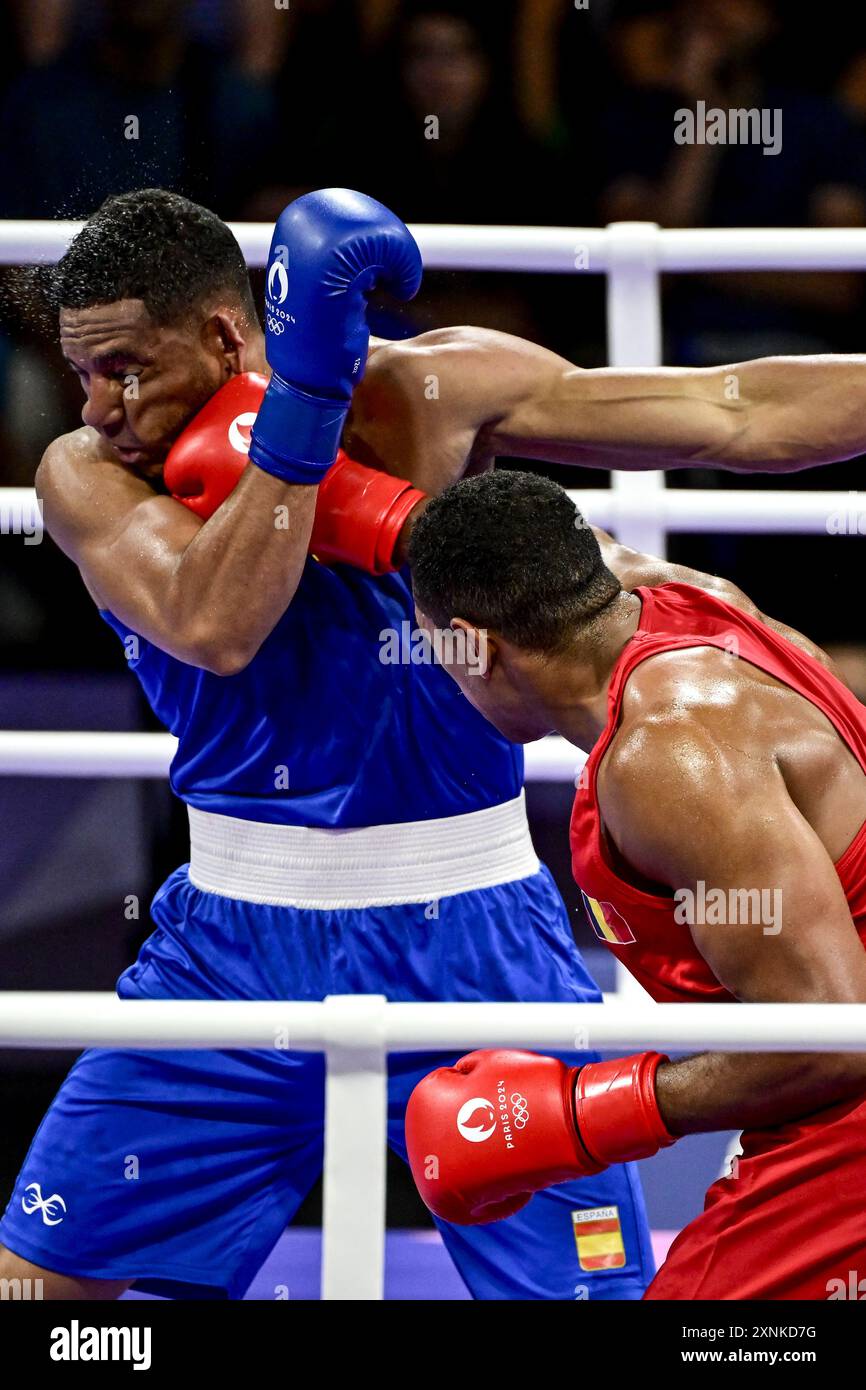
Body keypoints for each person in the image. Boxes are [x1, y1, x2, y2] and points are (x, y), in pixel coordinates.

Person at [5, 185, 866, 1301]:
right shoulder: (88, 475)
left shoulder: (422, 389)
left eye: (127, 366)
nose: (102, 406)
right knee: (44, 1299)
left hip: (475, 929)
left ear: (224, 334)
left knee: (585, 1297)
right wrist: (299, 416)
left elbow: (729, 411)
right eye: (82, 374)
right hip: (225, 951)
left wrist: (318, 407)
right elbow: (218, 626)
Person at [404, 468, 866, 1300]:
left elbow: (833, 1037)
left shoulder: (669, 756)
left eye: (437, 649)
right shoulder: (686, 597)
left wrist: (588, 1114)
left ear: (475, 645)